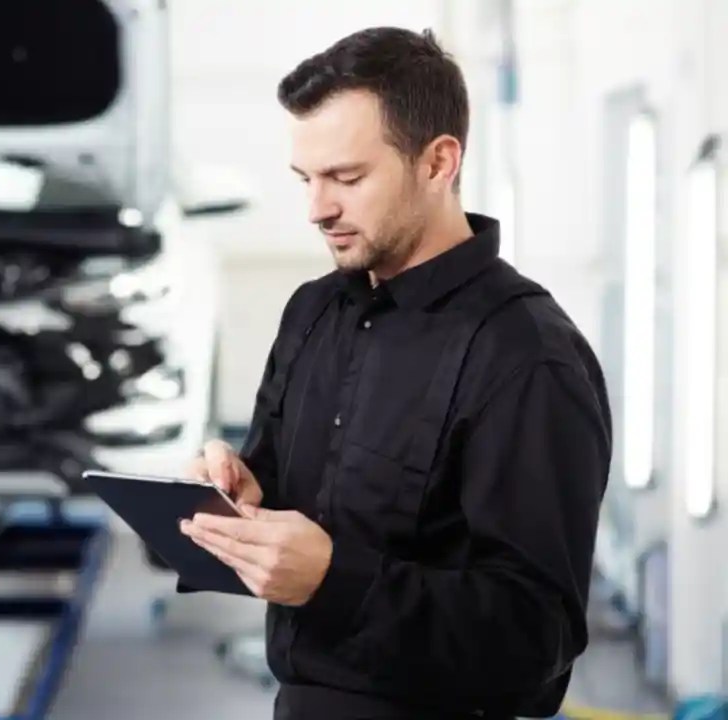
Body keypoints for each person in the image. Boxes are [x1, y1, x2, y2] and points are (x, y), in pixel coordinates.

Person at [178, 26, 611, 719]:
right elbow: (288, 493)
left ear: (438, 162)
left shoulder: (527, 356)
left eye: (347, 178)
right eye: (307, 179)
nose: (318, 208)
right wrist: (239, 496)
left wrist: (334, 581)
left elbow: (537, 639)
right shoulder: (313, 312)